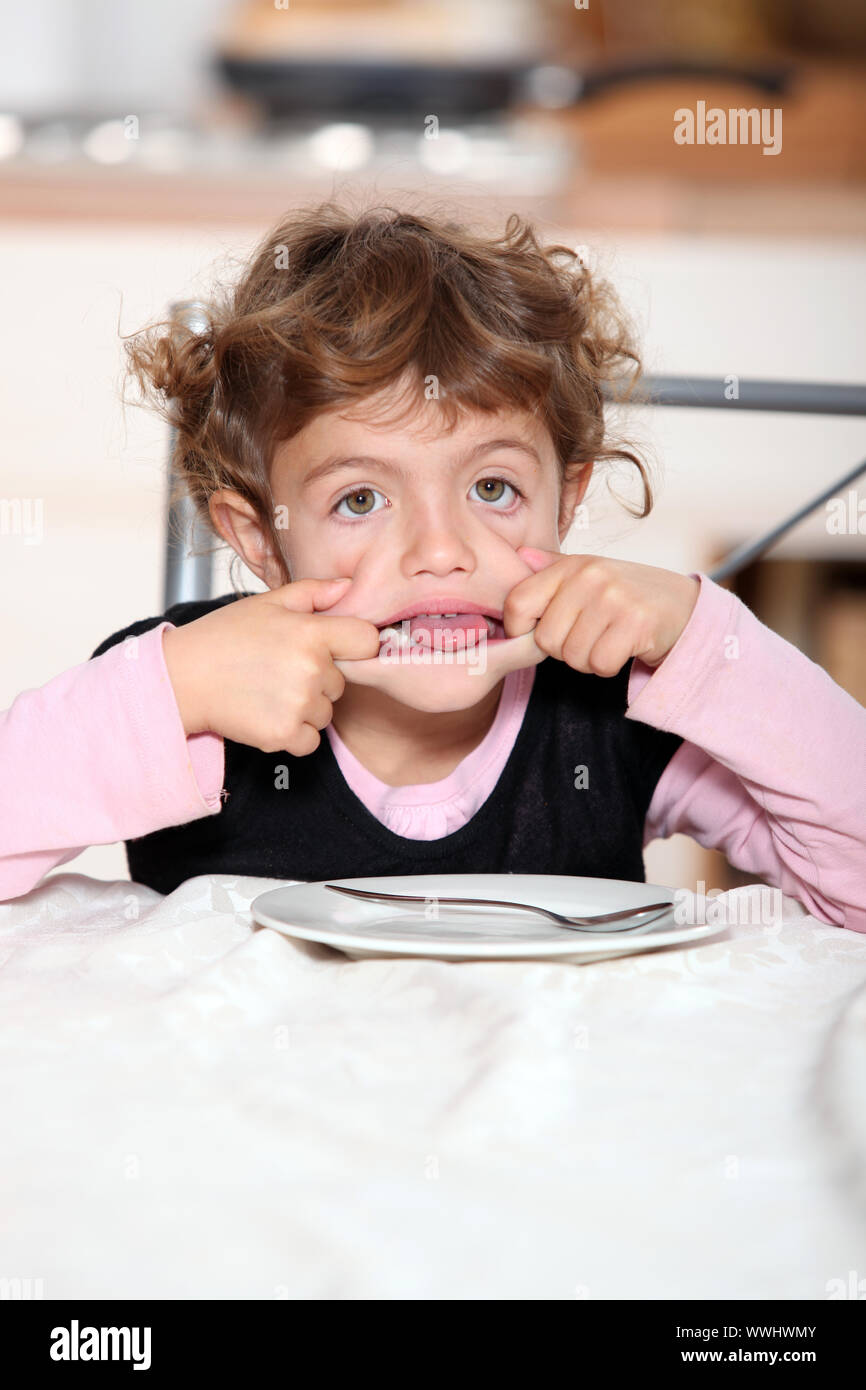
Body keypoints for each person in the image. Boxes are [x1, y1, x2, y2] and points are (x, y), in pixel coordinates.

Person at [1, 201, 864, 929]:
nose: (442, 552)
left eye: (492, 487)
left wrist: (701, 639)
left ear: (567, 502)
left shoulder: (617, 707)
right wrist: (170, 692)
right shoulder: (187, 695)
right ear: (260, 539)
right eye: (360, 501)